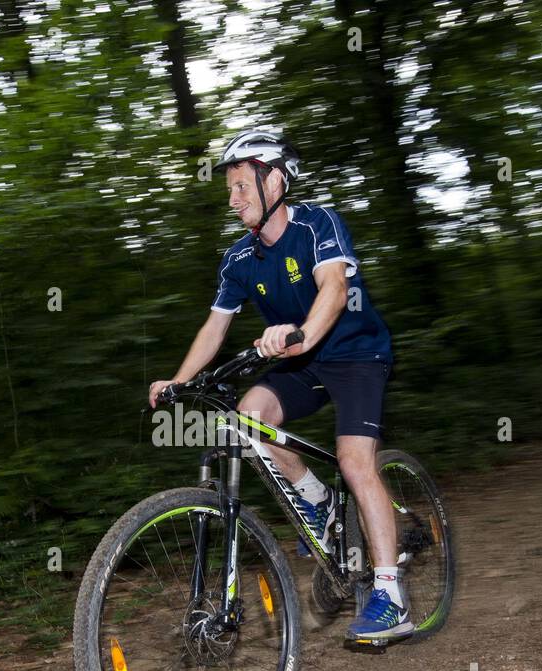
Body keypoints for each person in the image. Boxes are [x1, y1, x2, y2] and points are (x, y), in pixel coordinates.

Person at [147, 128, 411, 641]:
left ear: (276, 180)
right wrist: (178, 381)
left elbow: (334, 286)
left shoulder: (317, 224)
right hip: (302, 363)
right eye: (229, 189)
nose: (233, 198)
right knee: (249, 420)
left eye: (242, 185)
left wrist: (304, 334)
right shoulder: (238, 259)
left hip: (355, 354)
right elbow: (215, 326)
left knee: (356, 461)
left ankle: (389, 593)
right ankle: (316, 498)